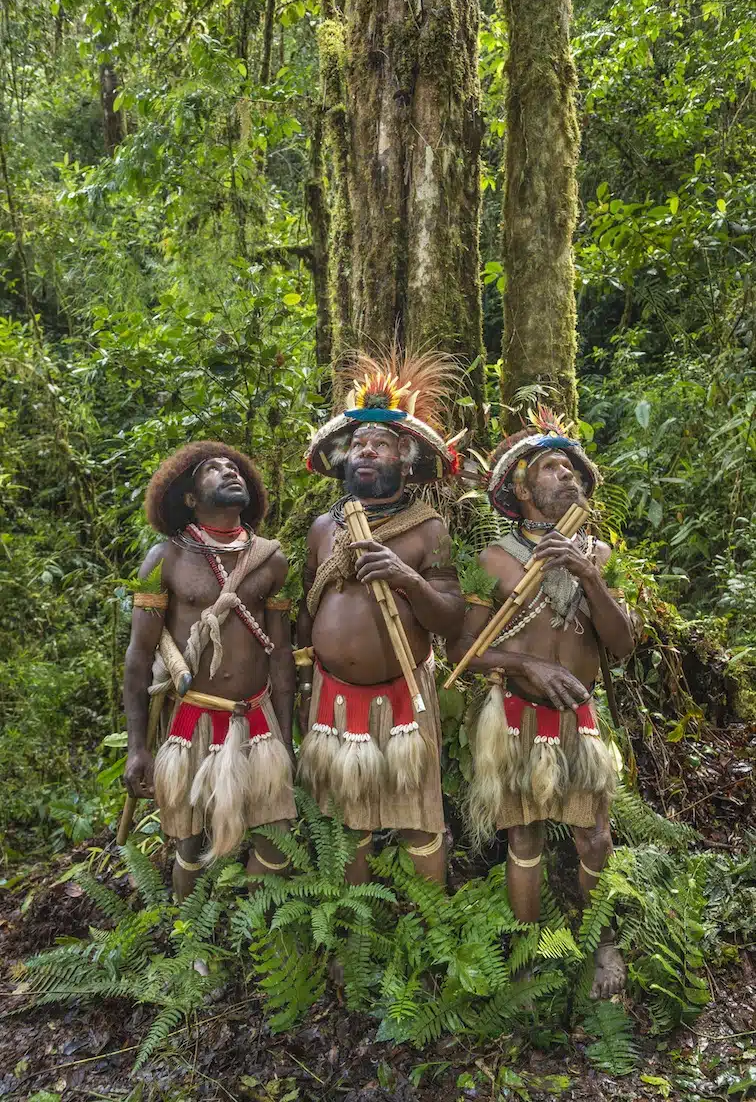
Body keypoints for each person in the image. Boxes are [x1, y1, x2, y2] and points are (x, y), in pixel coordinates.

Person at [447, 407, 635, 998]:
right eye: (553, 468)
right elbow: (465, 655)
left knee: (595, 837)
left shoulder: (598, 555)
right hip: (516, 718)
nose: (568, 476)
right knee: (523, 839)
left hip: (578, 719)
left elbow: (623, 647)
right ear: (523, 487)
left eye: (573, 468)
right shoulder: (494, 560)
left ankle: (601, 942)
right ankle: (527, 955)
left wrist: (590, 575)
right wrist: (528, 664)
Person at [296, 350, 465, 885]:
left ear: (407, 459)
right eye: (358, 443)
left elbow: (452, 620)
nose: (366, 451)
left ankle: (430, 935)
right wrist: (299, 677)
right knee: (348, 821)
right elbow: (307, 608)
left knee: (418, 818)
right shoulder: (324, 528)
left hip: (403, 693)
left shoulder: (427, 528)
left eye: (382, 443)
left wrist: (408, 578)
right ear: (343, 459)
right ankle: (355, 937)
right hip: (332, 694)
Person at [123, 441, 296, 898]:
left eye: (234, 467)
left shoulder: (271, 559)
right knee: (190, 846)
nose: (229, 471)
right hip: (192, 722)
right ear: (189, 498)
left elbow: (280, 655)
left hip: (258, 721)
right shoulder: (166, 560)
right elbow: (139, 659)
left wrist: (287, 737)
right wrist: (137, 747)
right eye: (213, 470)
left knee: (275, 842)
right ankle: (192, 958)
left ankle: (255, 940)